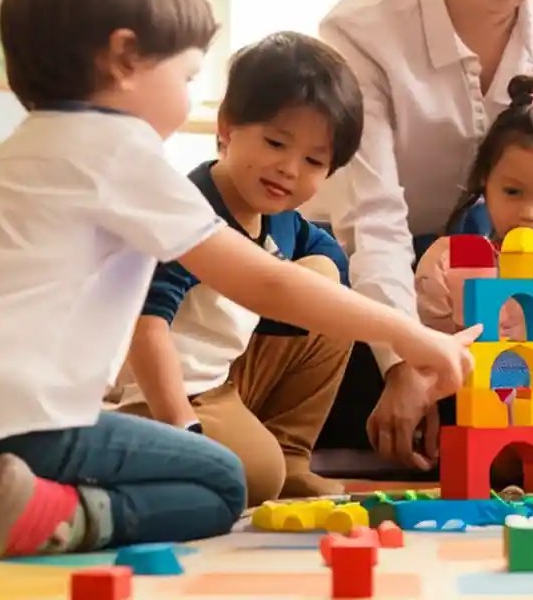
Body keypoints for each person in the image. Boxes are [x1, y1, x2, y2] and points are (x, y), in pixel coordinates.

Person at [0, 0, 477, 561]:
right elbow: (271, 283)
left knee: (183, 461)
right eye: (188, 74)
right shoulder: (118, 152)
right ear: (125, 59)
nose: (192, 95)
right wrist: (416, 337)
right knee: (219, 483)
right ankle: (48, 513)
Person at [312, 0, 533, 469]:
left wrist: (524, 308)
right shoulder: (363, 26)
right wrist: (410, 360)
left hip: (497, 275)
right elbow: (372, 219)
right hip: (373, 271)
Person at [111, 32, 363, 502]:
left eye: (313, 160)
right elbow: (145, 330)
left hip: (222, 379)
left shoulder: (279, 213)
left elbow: (322, 247)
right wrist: (183, 432)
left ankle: (292, 455)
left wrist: (324, 271)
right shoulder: (189, 214)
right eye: (274, 142)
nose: (288, 168)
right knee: (254, 476)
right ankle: (125, 443)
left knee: (334, 310)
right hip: (157, 390)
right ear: (226, 127)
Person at [415, 75, 533, 435]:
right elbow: (425, 362)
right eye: (513, 192)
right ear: (484, 183)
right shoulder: (450, 263)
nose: (530, 213)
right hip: (457, 430)